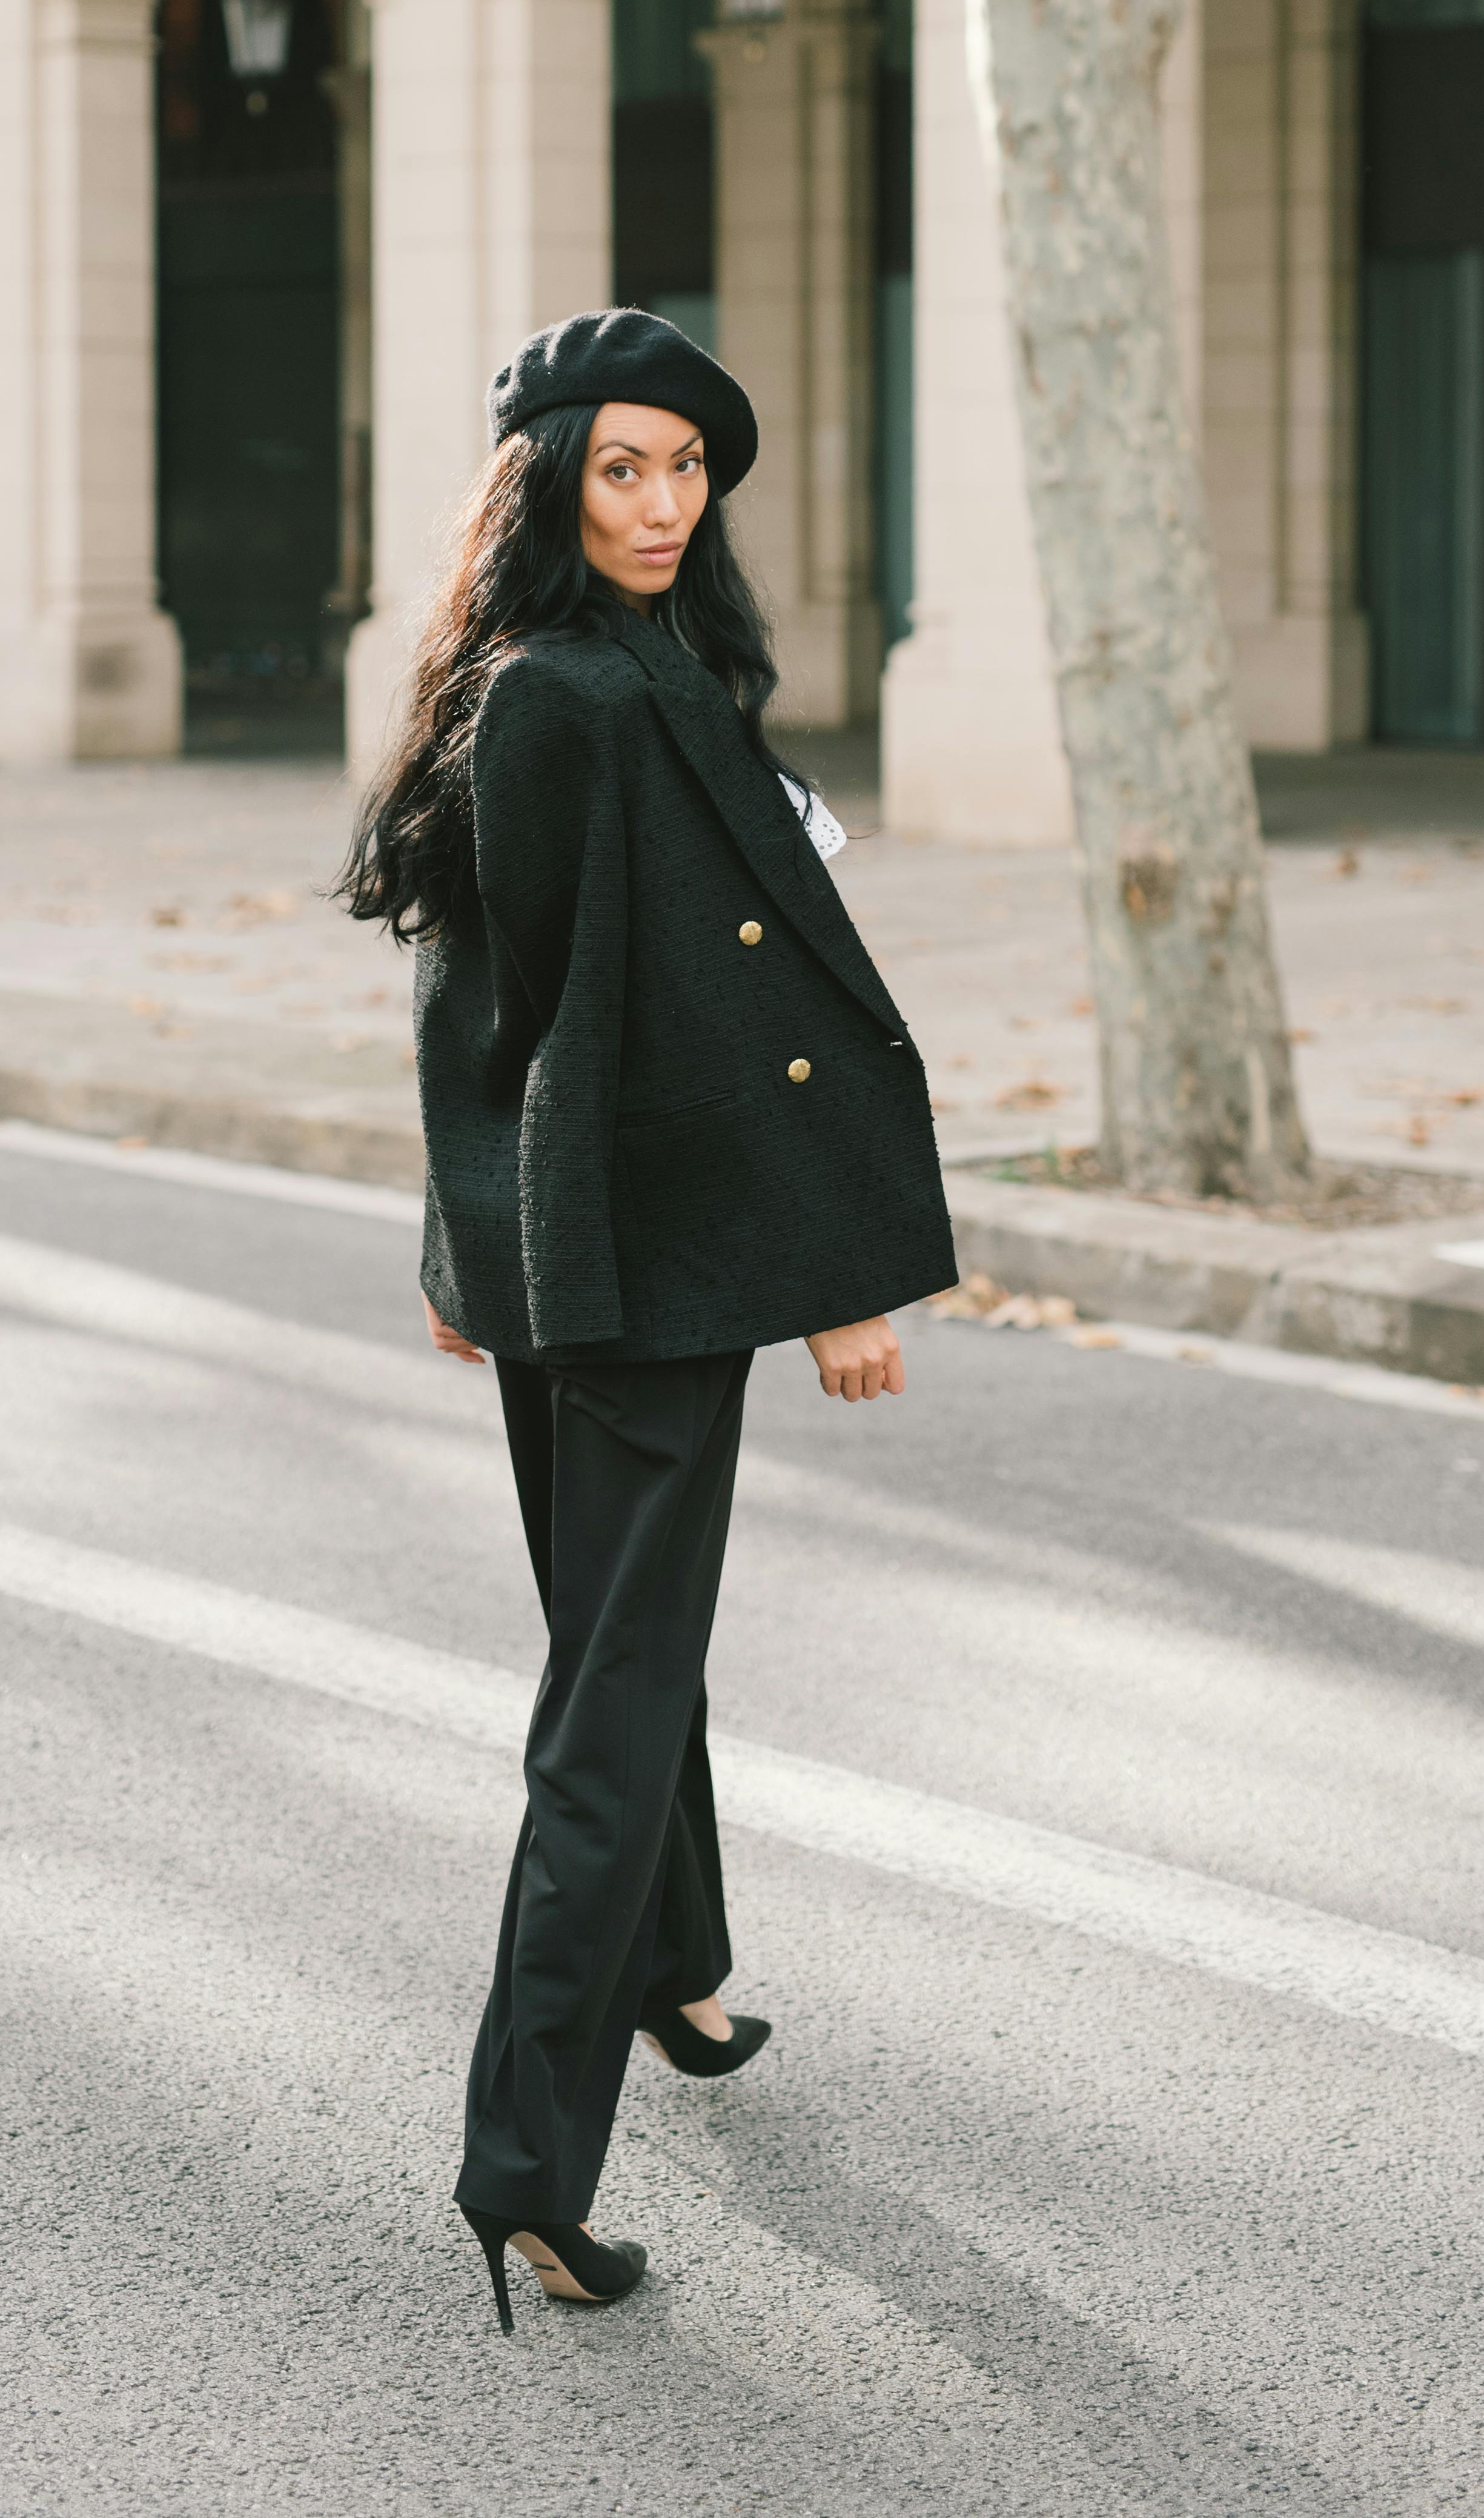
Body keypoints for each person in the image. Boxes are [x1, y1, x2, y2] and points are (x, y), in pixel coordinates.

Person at [339, 307, 958, 2334]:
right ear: (547, 488)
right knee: (611, 1703)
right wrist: (841, 1276)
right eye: (621, 469)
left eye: (686, 467)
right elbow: (629, 1013)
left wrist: (471, 1251)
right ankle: (525, 2166)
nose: (664, 502)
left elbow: (490, 1000)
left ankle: (675, 1976)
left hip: (585, 1254)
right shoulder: (567, 697)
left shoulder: (620, 664)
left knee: (628, 1638)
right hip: (641, 1267)